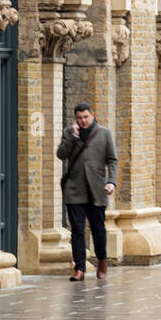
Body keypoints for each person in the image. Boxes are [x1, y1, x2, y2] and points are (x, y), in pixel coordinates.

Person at [55, 102, 118, 281]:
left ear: (92, 115)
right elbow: (60, 154)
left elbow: (112, 160)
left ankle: (102, 260)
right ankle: (80, 268)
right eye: (79, 118)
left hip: (97, 190)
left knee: (98, 229)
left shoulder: (104, 133)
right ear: (76, 118)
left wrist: (112, 181)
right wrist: (74, 137)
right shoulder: (69, 132)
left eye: (86, 117)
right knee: (77, 229)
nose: (83, 121)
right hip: (74, 190)